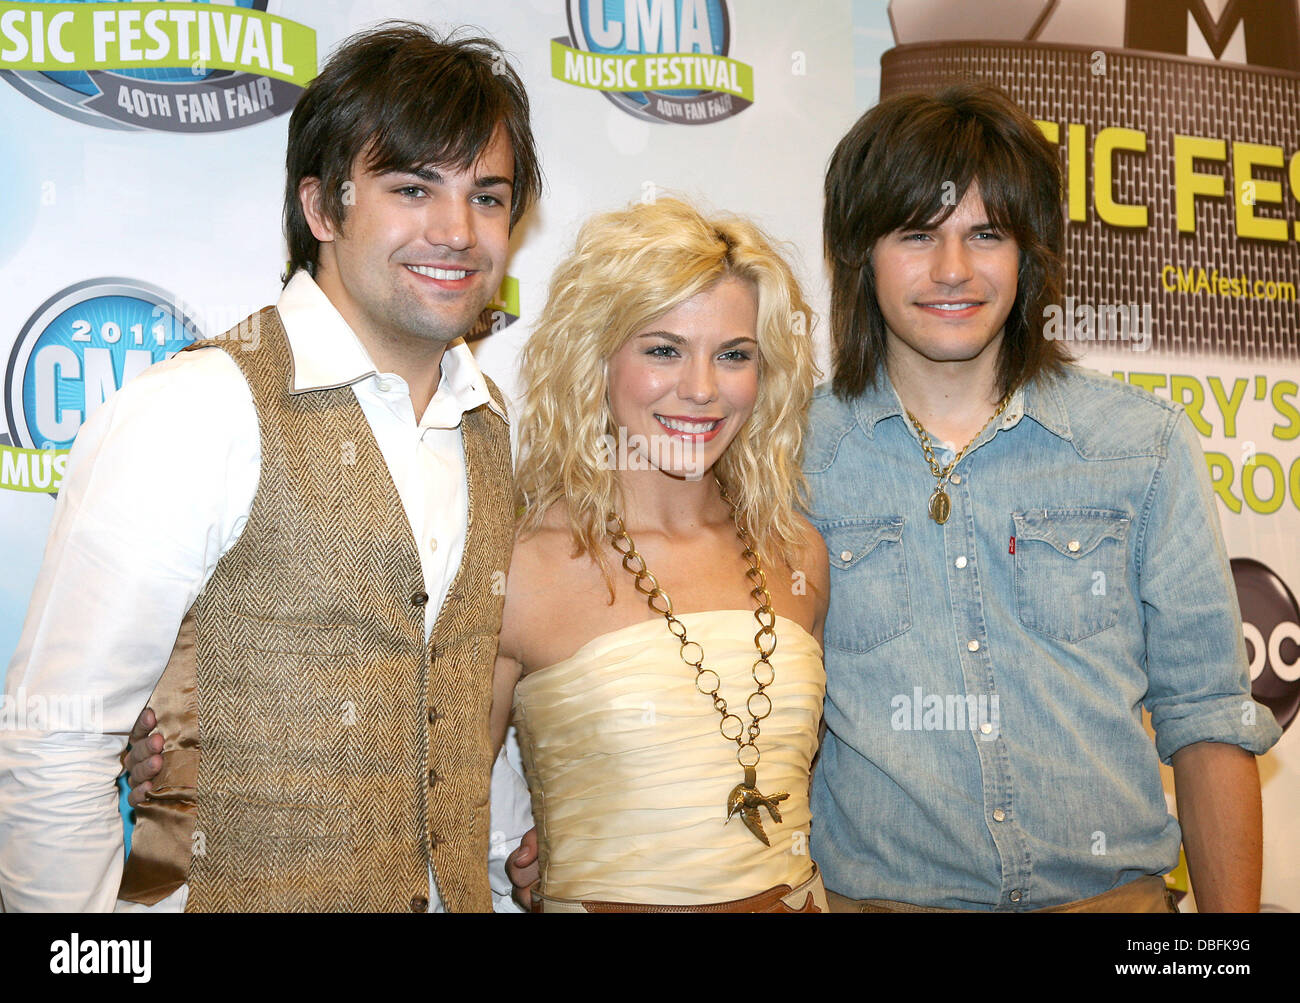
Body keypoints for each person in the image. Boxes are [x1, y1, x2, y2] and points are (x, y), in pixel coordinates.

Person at [0, 22, 542, 912]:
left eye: (488, 197)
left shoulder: (488, 425)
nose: (457, 231)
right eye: (413, 187)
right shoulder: (199, 406)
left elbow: (456, 705)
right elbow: (56, 743)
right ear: (323, 209)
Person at [808, 82, 1282, 912]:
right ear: (859, 252)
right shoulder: (790, 457)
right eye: (917, 234)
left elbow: (1208, 722)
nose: (952, 270)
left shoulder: (1142, 447)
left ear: (1029, 252)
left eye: (986, 233)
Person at [492, 197, 827, 911]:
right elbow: (436, 812)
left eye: (734, 355)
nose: (702, 388)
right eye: (664, 348)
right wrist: (525, 854)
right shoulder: (523, 566)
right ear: (597, 359)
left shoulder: (796, 554)